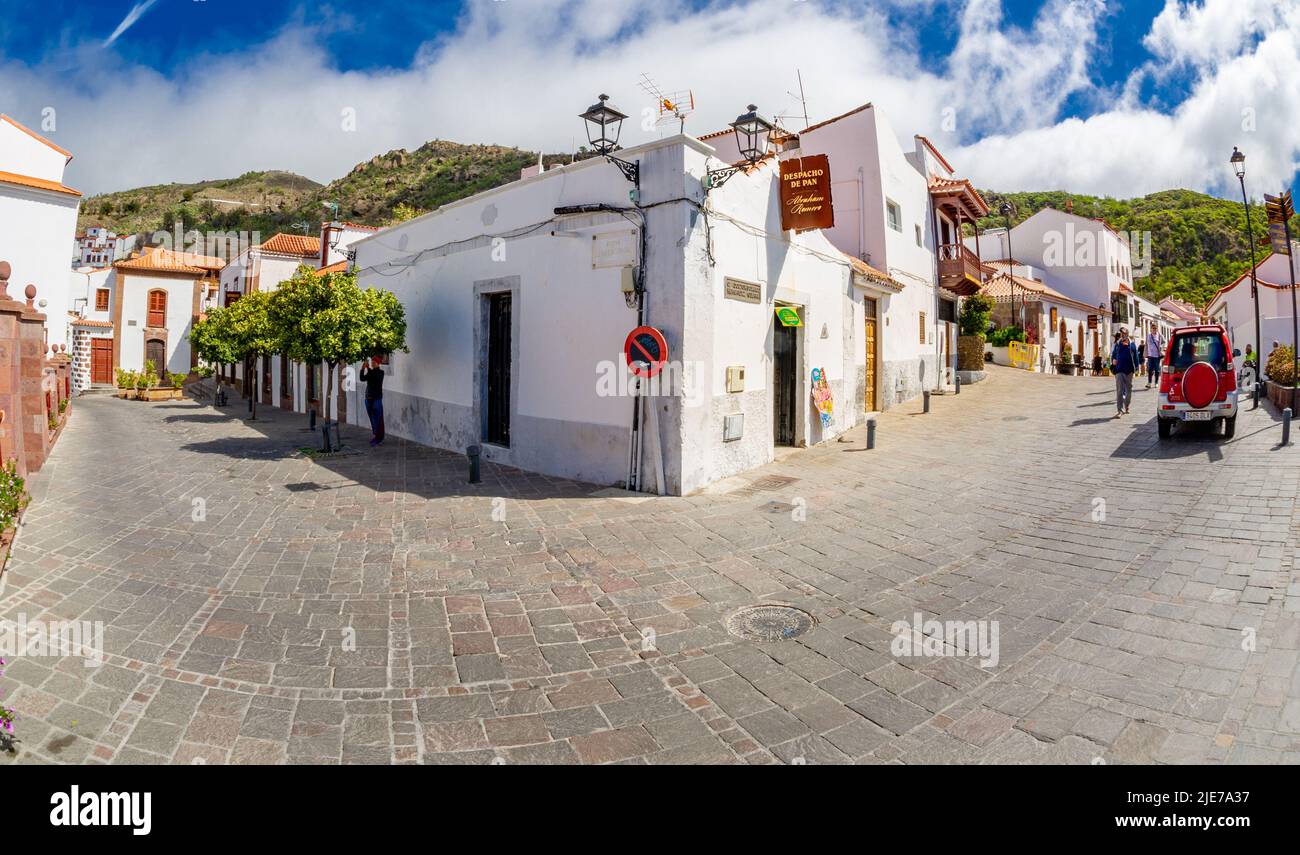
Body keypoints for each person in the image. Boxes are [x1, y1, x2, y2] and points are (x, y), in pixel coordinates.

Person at [1111, 327, 1139, 417]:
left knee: (1129, 390)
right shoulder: (1117, 344)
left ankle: (1126, 405)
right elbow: (1114, 355)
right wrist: (1113, 361)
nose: (1122, 335)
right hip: (1119, 370)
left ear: (1127, 334)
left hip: (1129, 370)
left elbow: (1136, 358)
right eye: (1121, 333)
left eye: (1124, 333)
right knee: (1119, 391)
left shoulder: (1132, 345)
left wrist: (1137, 367)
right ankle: (1120, 410)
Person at [359, 355, 386, 446]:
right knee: (372, 418)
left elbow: (374, 376)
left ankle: (379, 438)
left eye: (374, 362)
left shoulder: (380, 373)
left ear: (378, 363)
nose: (372, 363)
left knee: (378, 419)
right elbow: (362, 378)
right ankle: (376, 436)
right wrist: (363, 369)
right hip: (368, 398)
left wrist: (366, 368)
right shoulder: (371, 372)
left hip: (376, 399)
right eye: (371, 362)